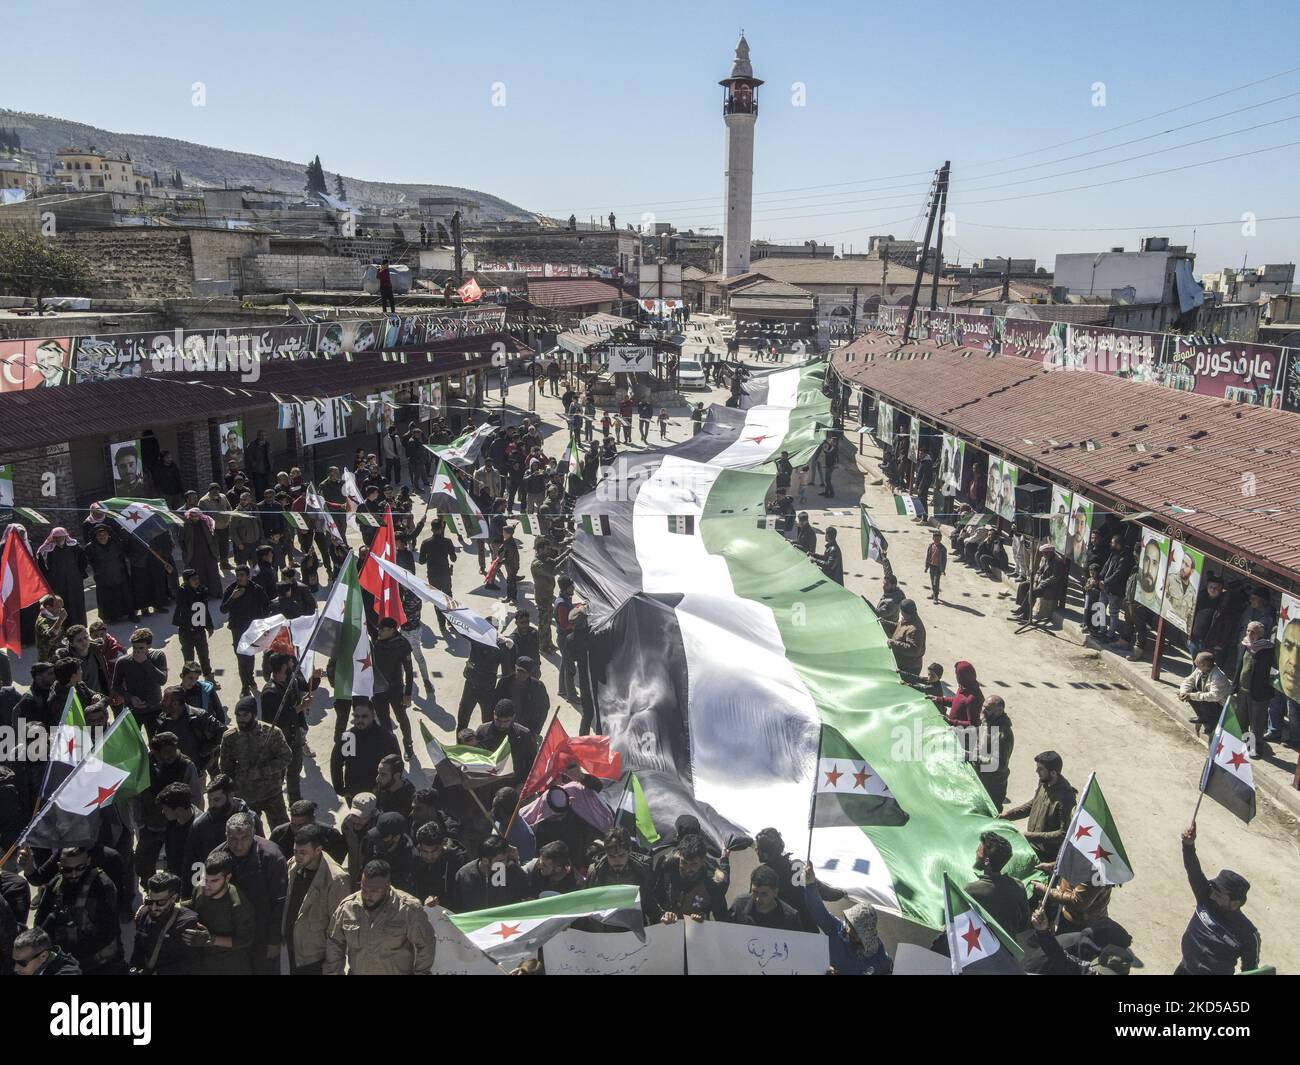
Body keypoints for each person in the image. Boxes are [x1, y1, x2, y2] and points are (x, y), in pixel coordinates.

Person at [1176, 823, 1259, 975]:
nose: (1213, 895)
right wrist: (1188, 845)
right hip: (1185, 970)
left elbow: (1250, 971)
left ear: (1234, 904)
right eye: (1214, 890)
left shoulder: (1248, 935)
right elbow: (1193, 870)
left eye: (1219, 894)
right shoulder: (1206, 897)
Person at [33, 846, 123, 974]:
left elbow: (107, 933)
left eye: (80, 868)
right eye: (68, 870)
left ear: (88, 862)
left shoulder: (102, 887)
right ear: (60, 866)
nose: (74, 874)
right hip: (65, 960)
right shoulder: (55, 884)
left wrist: (72, 956)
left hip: (98, 963)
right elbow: (40, 922)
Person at [283, 824, 352, 975]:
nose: (297, 856)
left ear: (318, 850)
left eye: (303, 852)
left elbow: (339, 929)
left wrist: (332, 966)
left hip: (315, 959)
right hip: (291, 952)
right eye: (295, 851)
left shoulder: (336, 880)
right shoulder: (293, 865)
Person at [219, 694, 292, 831]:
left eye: (245, 715)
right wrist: (231, 791)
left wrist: (262, 771)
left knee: (283, 831)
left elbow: (286, 757)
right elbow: (225, 767)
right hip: (245, 795)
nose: (240, 719)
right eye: (238, 715)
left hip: (272, 792)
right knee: (248, 834)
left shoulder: (271, 733)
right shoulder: (230, 737)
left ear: (253, 714)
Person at [802, 866, 891, 974]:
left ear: (866, 934)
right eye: (849, 924)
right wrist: (811, 884)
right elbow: (818, 910)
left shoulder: (880, 958)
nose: (848, 931)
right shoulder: (837, 930)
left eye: (855, 931)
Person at [185, 851, 256, 974]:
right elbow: (193, 903)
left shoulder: (238, 905)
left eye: (214, 881)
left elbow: (245, 940)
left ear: (227, 878)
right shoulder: (200, 889)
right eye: (204, 879)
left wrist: (212, 939)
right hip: (203, 962)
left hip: (230, 965)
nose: (207, 885)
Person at [999, 750, 1077, 862]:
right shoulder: (1044, 782)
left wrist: (1032, 836)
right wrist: (1009, 815)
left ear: (1053, 773)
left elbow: (1063, 833)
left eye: (1041, 769)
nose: (1036, 771)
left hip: (1048, 856)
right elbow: (1033, 804)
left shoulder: (1066, 798)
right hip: (1031, 846)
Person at [129, 872, 202, 975]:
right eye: (150, 901)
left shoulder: (187, 923)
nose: (154, 907)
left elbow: (191, 963)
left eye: (161, 903)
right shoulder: (143, 914)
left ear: (173, 898)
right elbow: (138, 951)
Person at [331, 700, 401, 802]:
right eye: (356, 716)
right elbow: (336, 764)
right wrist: (340, 789)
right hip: (354, 793)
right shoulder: (347, 738)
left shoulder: (386, 737)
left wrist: (389, 787)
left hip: (380, 793)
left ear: (373, 716)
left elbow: (397, 765)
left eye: (364, 716)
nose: (360, 720)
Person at [964, 831, 1029, 938]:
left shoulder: (970, 890)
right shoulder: (1018, 886)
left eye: (979, 852)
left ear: (986, 861)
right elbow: (1024, 924)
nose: (976, 853)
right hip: (1010, 950)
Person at [372, 618, 416, 758]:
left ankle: (408, 744)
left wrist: (408, 693)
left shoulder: (402, 644)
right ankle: (391, 749)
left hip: (395, 688)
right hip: (378, 689)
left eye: (382, 629)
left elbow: (409, 671)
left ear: (391, 630)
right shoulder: (376, 638)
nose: (379, 631)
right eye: (378, 628)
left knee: (401, 717)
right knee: (384, 721)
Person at [1236, 620, 1275, 754]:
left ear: (1260, 634)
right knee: (1241, 720)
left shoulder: (1268, 649)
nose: (1250, 634)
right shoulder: (1244, 645)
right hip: (1242, 690)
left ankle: (1254, 749)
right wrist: (1234, 685)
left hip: (1258, 693)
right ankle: (1242, 745)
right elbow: (1239, 666)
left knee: (1256, 724)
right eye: (1248, 630)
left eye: (1254, 632)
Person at [37, 528, 88, 627]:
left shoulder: (74, 546)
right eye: (56, 537)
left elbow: (83, 561)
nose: (59, 539)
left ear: (65, 536)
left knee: (77, 602)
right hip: (57, 583)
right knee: (60, 603)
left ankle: (79, 624)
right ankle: (63, 626)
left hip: (74, 580)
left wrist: (78, 574)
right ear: (53, 538)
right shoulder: (46, 550)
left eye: (61, 536)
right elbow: (42, 568)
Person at [727, 865, 804, 930]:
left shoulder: (791, 917)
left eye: (764, 894)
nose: (758, 899)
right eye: (755, 892)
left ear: (775, 892)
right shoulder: (739, 905)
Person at [1178, 651, 1233, 736]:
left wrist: (1192, 696)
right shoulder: (1200, 670)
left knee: (1192, 695)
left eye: (1197, 661)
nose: (1195, 662)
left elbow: (1214, 696)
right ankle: (1203, 717)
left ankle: (1210, 721)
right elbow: (1188, 681)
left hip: (1220, 705)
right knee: (1188, 693)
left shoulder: (1218, 677)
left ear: (1203, 664)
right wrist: (1183, 692)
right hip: (1209, 701)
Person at [975, 696, 1014, 809]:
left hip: (992, 787)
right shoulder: (988, 722)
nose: (983, 711)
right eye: (983, 706)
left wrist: (974, 757)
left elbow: (998, 764)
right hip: (981, 778)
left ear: (999, 711)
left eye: (987, 709)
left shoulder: (1003, 735)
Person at [12, 928, 82, 976]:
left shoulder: (68, 973)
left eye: (22, 963)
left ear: (43, 956)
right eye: (14, 961)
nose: (15, 968)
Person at [887, 599, 926, 681]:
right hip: (902, 663)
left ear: (904, 612)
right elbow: (900, 627)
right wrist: (885, 623)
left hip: (909, 668)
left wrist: (894, 643)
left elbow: (913, 650)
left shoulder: (915, 629)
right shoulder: (907, 619)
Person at [923, 529, 947, 602]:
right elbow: (928, 557)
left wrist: (943, 570)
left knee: (936, 582)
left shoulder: (943, 548)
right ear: (933, 538)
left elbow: (944, 560)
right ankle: (934, 593)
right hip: (931, 566)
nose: (936, 540)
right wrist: (926, 567)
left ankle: (936, 597)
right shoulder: (931, 546)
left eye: (938, 539)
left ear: (941, 539)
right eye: (935, 538)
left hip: (938, 568)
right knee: (932, 582)